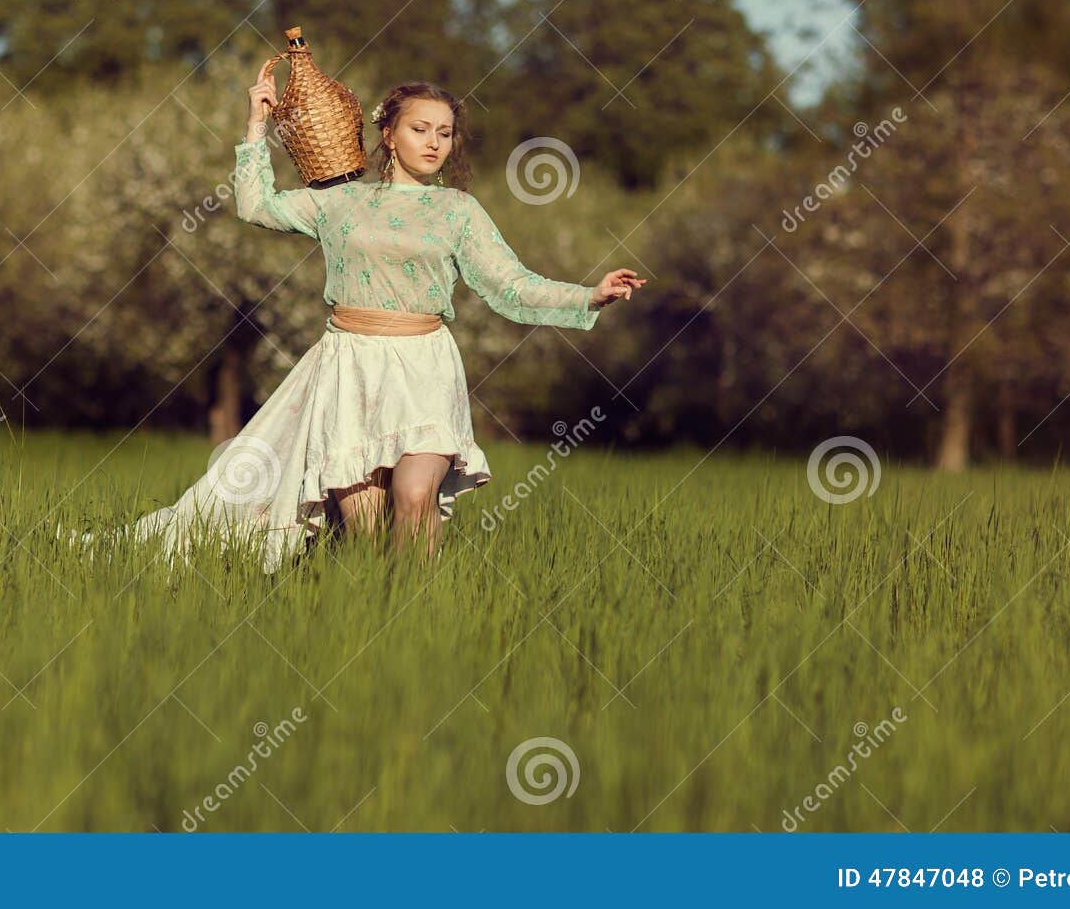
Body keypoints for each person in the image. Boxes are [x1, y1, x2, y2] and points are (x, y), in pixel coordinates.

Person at [68, 69, 644, 574]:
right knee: (365, 534)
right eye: (421, 129)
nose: (434, 143)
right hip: (349, 368)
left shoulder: (458, 211)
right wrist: (255, 129)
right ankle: (374, 630)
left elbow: (510, 285)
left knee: (416, 494)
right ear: (388, 135)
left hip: (424, 365)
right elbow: (255, 205)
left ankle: (421, 629)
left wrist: (587, 295)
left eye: (445, 133)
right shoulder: (341, 202)